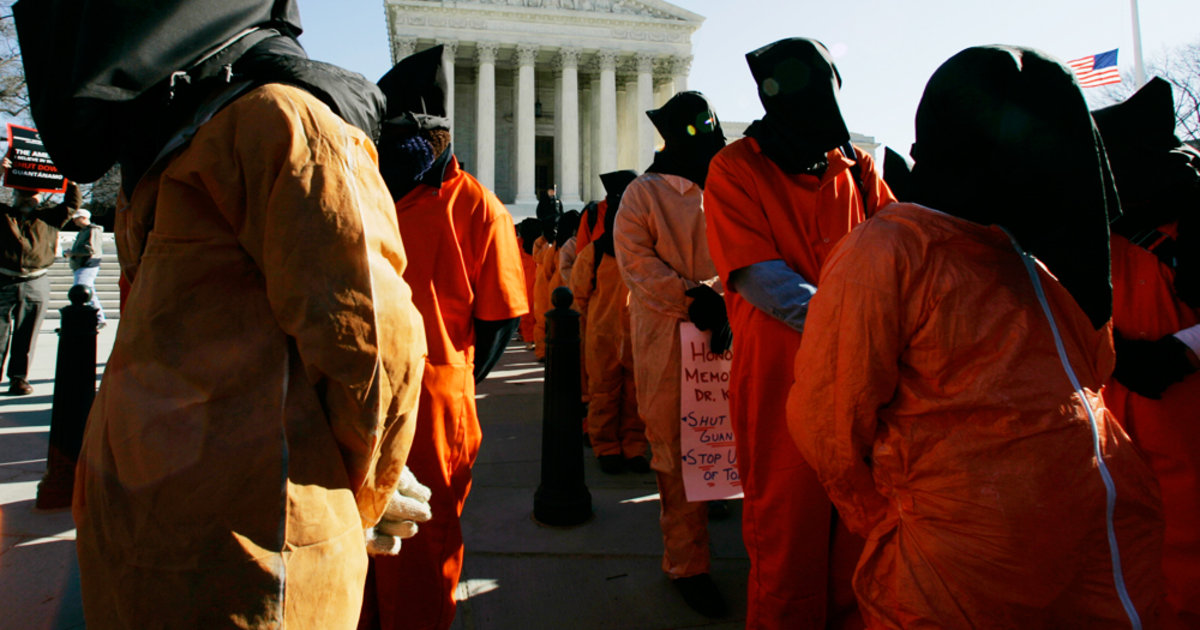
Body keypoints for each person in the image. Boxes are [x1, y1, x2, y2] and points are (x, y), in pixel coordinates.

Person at [17, 2, 428, 627]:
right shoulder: (177, 141)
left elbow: (370, 349)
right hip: (151, 536)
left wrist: (364, 497)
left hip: (247, 557)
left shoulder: (282, 120)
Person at [788, 45, 1166, 628]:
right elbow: (828, 423)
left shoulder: (1021, 258)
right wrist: (896, 521)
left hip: (1093, 569)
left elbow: (1092, 364)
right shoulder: (886, 249)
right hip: (957, 580)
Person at [702, 37, 895, 629]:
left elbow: (899, 249)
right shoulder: (733, 167)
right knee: (788, 537)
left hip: (862, 381)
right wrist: (857, 331)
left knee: (863, 535)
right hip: (779, 382)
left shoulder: (857, 167)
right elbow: (762, 278)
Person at [360, 45, 528, 630]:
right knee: (352, 543)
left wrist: (453, 375)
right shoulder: (368, 189)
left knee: (423, 547)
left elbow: (502, 318)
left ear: (436, 136)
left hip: (434, 400)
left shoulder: (476, 204)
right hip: (358, 392)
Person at [613, 91, 730, 618]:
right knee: (676, 451)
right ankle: (688, 564)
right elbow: (636, 263)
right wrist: (695, 298)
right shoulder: (641, 193)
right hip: (667, 340)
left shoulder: (726, 188)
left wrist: (723, 299)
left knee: (722, 441)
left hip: (726, 336)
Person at [1094, 76, 1200, 629]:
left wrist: (1180, 351)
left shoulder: (1192, 213)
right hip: (1119, 431)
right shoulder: (1094, 229)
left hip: (1185, 421)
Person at [571, 170, 647, 474]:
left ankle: (633, 447)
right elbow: (580, 295)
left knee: (635, 395)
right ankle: (606, 447)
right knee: (603, 394)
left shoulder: (641, 254)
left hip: (636, 335)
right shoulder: (594, 254)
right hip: (602, 336)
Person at [0, 174, 80, 395]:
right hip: (3, 280)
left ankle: (18, 378)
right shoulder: (4, 215)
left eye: (32, 194)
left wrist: (70, 180)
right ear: (14, 195)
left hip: (36, 281)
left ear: (41, 196)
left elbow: (72, 204)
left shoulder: (51, 218)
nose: (27, 198)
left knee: (27, 333)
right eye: (22, 194)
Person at [66, 208, 106, 327]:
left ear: (84, 218)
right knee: (87, 291)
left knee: (81, 291)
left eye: (76, 219)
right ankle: (99, 318)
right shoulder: (85, 231)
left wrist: (72, 253)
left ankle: (95, 318)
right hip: (84, 264)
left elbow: (90, 249)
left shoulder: (92, 230)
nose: (74, 221)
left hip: (88, 264)